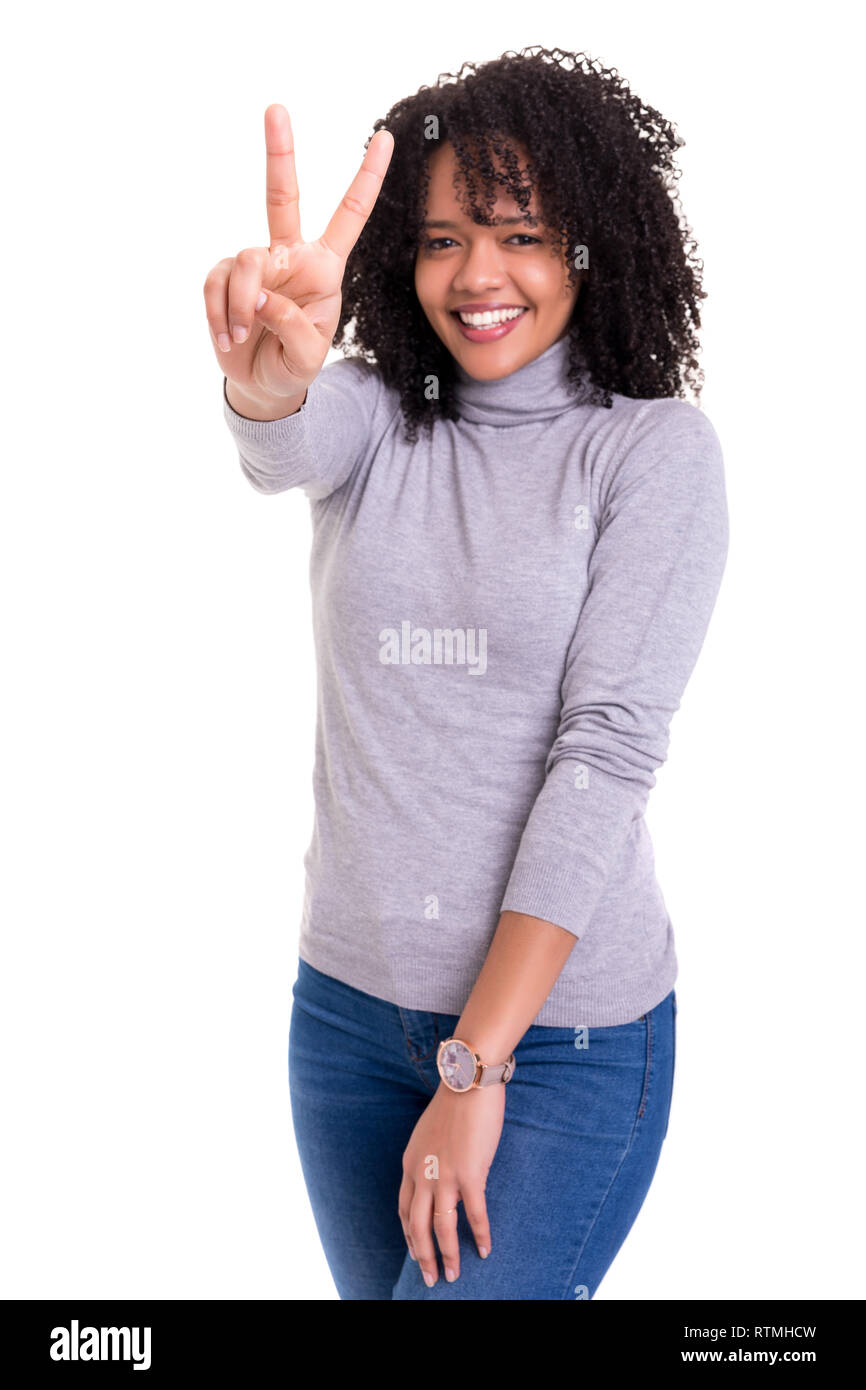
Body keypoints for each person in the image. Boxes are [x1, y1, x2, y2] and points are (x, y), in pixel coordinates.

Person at [203, 47, 729, 1300]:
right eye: (441, 240)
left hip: (560, 1044)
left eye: (521, 234)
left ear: (591, 247)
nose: (477, 276)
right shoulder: (380, 422)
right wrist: (260, 377)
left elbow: (600, 759)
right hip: (343, 1022)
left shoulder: (650, 455)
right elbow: (282, 440)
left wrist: (475, 1066)